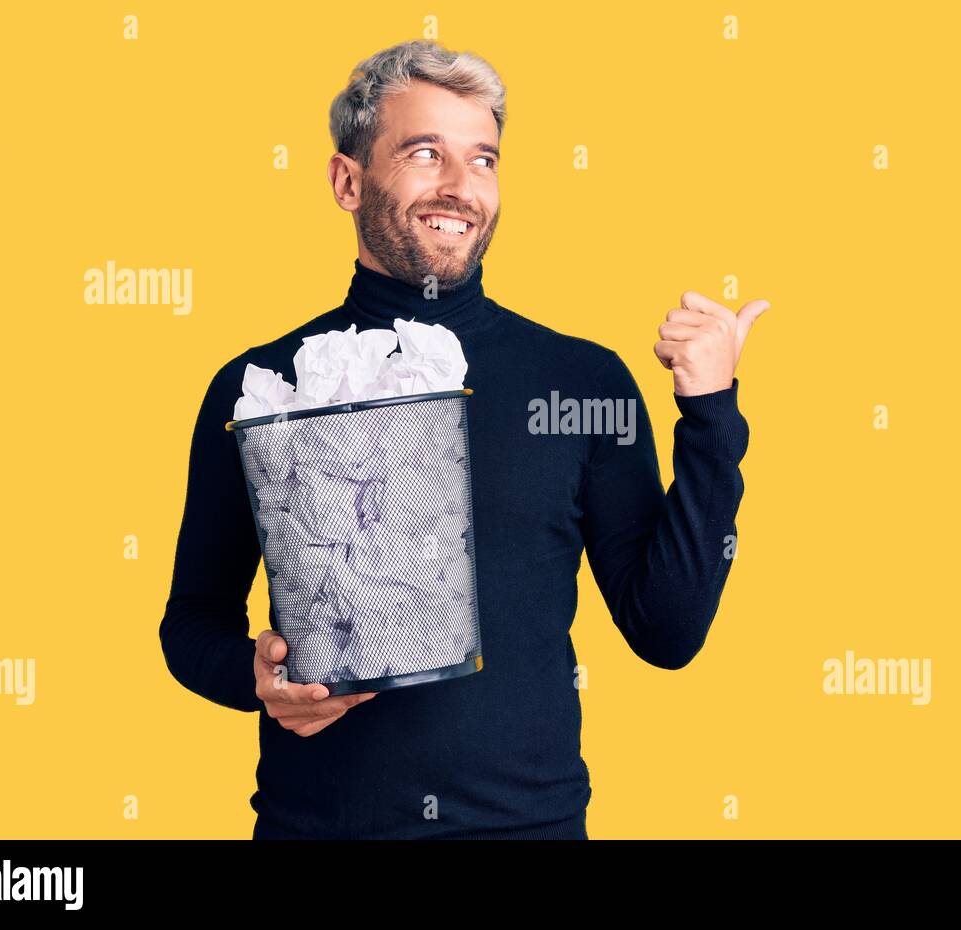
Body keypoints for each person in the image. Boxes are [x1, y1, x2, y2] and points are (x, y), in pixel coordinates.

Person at [159, 39, 769, 840]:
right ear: (348, 180)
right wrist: (256, 676)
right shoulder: (259, 385)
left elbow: (667, 631)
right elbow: (191, 622)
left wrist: (712, 415)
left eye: (483, 160)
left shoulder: (579, 383)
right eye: (424, 153)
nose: (460, 186)